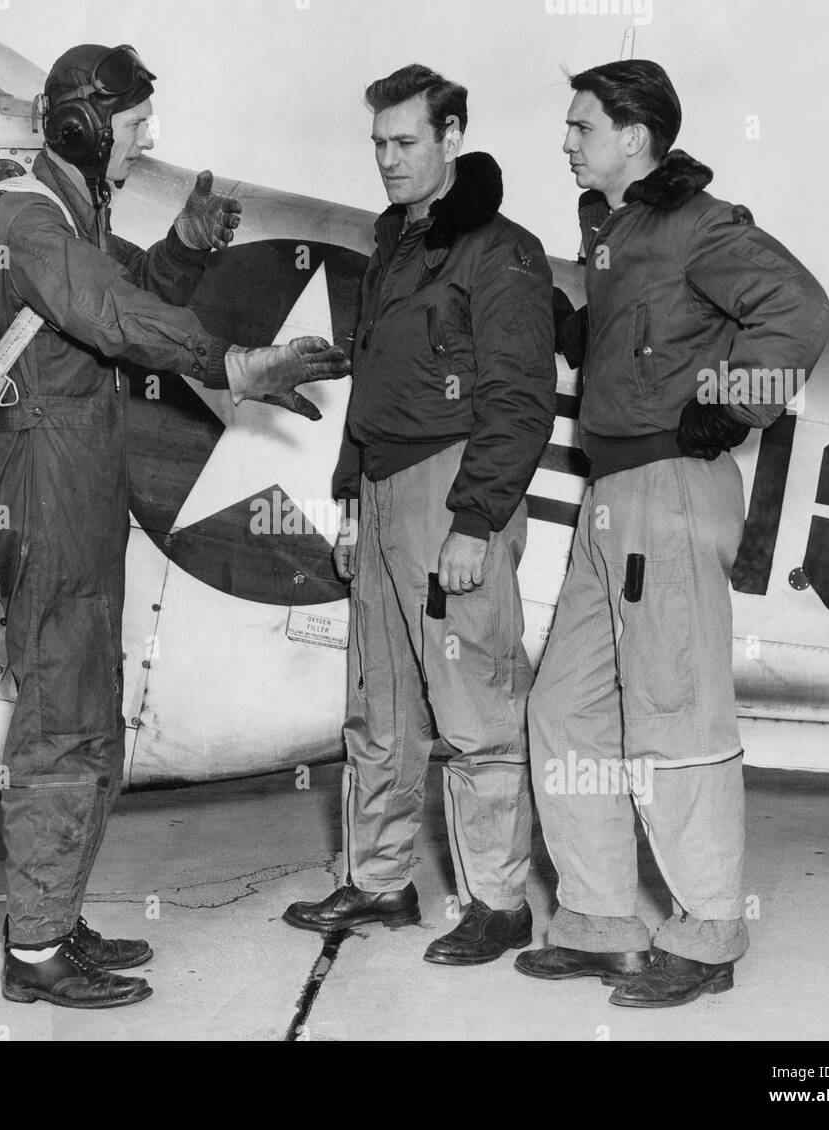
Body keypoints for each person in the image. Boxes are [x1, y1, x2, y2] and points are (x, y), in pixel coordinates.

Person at [0, 43, 350, 1009]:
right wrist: (236, 365)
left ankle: (54, 917)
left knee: (90, 712)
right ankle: (35, 953)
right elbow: (112, 315)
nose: (147, 142)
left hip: (77, 476)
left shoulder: (71, 216)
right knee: (61, 718)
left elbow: (132, 291)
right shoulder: (28, 220)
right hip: (47, 478)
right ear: (84, 128)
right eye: (136, 126)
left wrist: (183, 247)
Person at [516, 59, 829, 1005]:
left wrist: (732, 406)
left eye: (581, 127)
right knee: (564, 708)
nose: (566, 142)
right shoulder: (615, 232)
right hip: (611, 493)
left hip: (670, 488)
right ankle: (600, 918)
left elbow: (801, 308)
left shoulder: (698, 222)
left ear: (635, 137)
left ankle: (707, 933)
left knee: (674, 711)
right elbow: (649, 340)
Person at [282, 64, 557, 966]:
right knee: (380, 708)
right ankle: (380, 880)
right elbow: (373, 383)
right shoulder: (395, 241)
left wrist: (474, 522)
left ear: (452, 137)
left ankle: (499, 903)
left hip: (452, 489)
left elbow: (520, 400)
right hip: (382, 491)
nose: (388, 159)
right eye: (378, 144)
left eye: (405, 142)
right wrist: (351, 497)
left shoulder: (502, 252)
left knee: (476, 709)